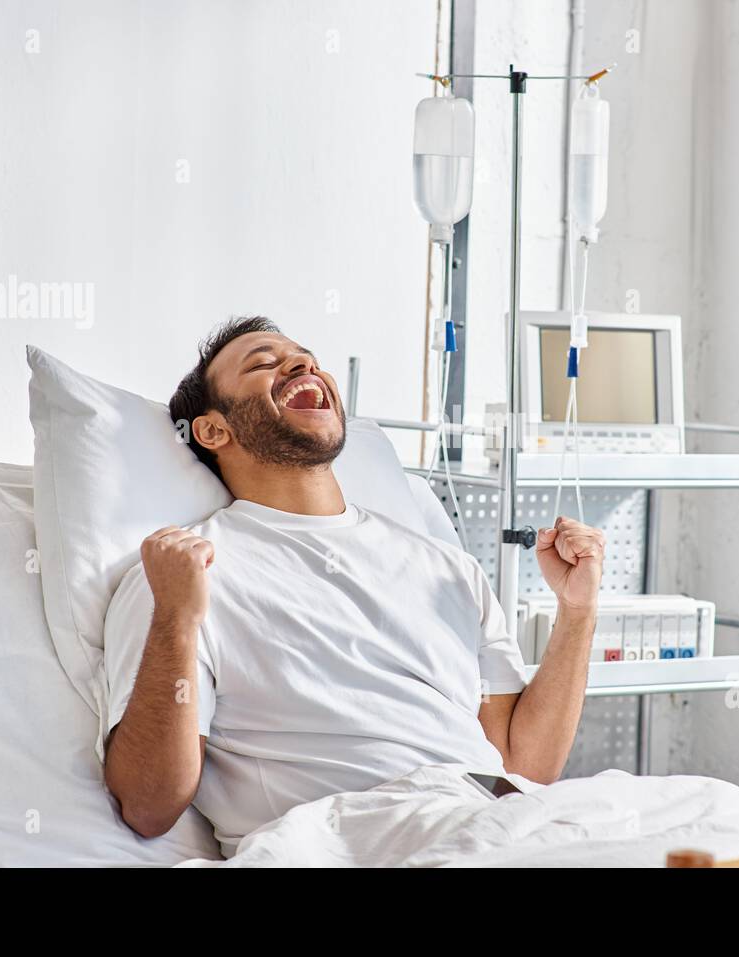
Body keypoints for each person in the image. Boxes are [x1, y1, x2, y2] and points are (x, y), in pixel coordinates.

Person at [102, 316, 604, 857]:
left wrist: (577, 613)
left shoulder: (447, 569)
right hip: (352, 839)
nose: (302, 364)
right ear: (213, 430)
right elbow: (149, 806)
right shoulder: (183, 578)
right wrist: (176, 619)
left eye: (306, 357)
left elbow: (521, 766)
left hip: (494, 822)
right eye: (264, 363)